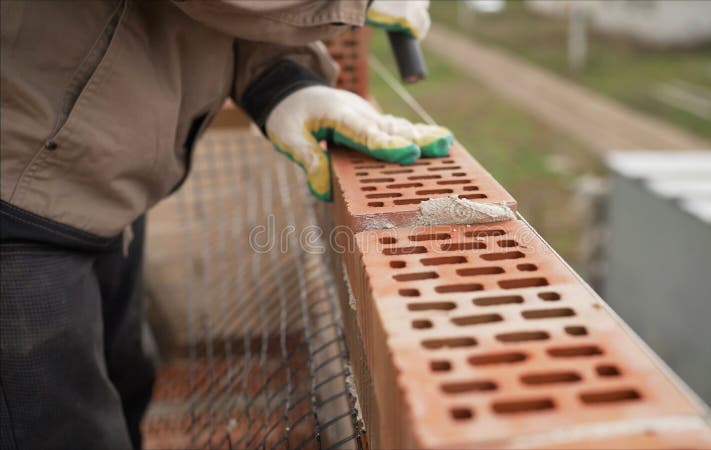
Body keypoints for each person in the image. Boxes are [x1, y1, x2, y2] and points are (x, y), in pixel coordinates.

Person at [0, 1, 451, 448]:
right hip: (20, 182)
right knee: (64, 432)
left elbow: (206, 17)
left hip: (97, 179)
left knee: (126, 383)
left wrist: (283, 82)